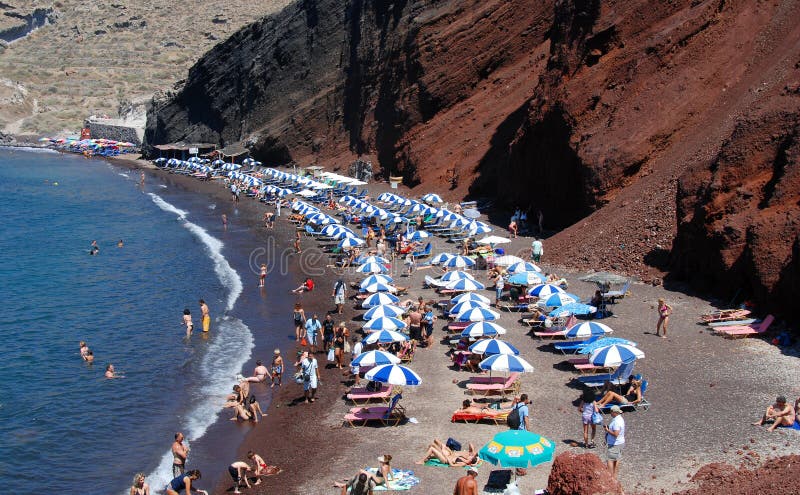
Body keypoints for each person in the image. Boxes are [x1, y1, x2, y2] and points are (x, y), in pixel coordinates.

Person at [604, 405, 625, 480]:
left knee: (610, 460)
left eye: (611, 412)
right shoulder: (620, 419)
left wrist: (607, 430)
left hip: (615, 444)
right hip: (620, 443)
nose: (610, 413)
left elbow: (616, 434)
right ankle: (614, 477)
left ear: (614, 412)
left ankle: (610, 478)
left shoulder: (616, 422)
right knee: (617, 459)